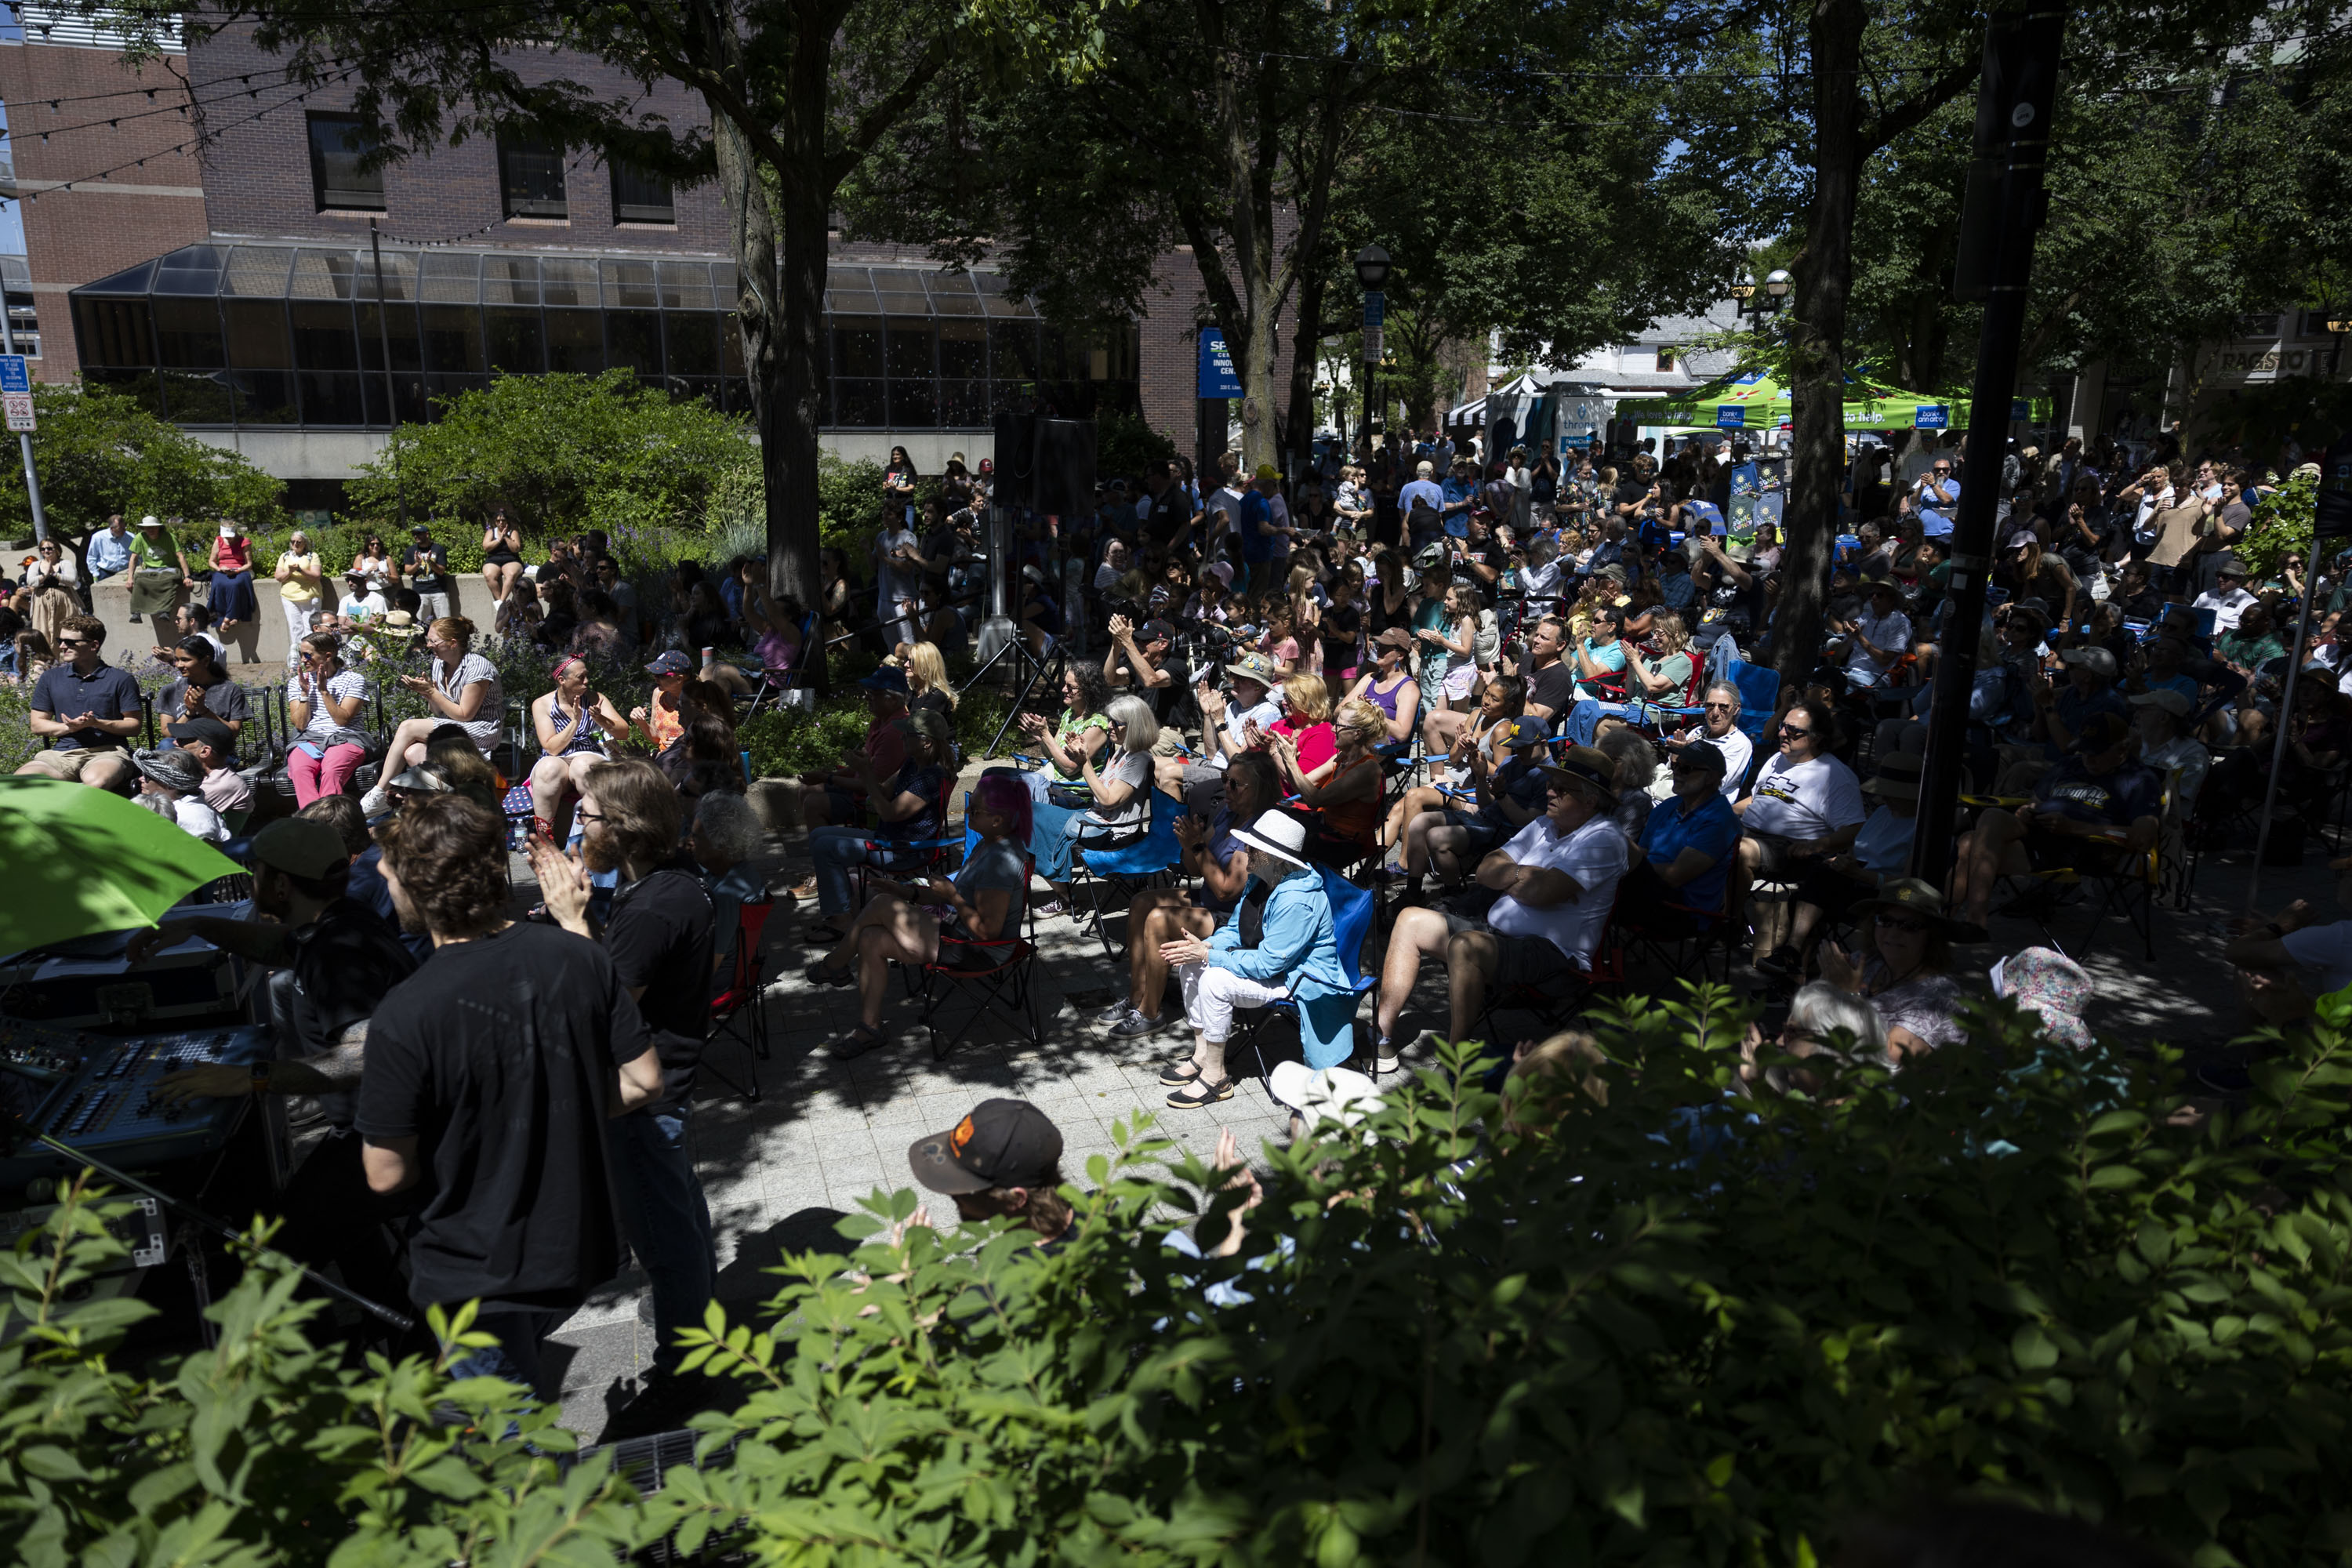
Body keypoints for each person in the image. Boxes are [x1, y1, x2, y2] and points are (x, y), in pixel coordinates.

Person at [358, 796, 662, 1398]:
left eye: (389, 870)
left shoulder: (404, 1014)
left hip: (471, 1262)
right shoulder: (579, 956)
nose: (380, 877)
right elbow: (644, 1081)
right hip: (570, 1241)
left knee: (517, 1450)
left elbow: (386, 1174)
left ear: (420, 885)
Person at [136, 815, 419, 1324]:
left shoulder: (336, 954)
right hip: (381, 1132)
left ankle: (332, 1374)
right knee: (339, 1233)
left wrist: (250, 1078)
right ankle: (400, 1338)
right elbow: (278, 948)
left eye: (258, 872)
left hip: (386, 1140)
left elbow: (366, 1053)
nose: (252, 881)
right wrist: (198, 926)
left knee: (269, 1261)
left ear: (282, 884)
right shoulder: (337, 922)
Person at [526, 760, 716, 1390]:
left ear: (625, 826)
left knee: (665, 1243)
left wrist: (572, 922)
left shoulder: (652, 909)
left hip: (640, 1096)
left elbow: (603, 1006)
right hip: (670, 1083)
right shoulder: (667, 883)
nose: (579, 822)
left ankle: (683, 1375)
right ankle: (701, 1329)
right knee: (683, 1212)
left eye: (588, 815)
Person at [1373, 746, 1629, 1066]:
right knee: (1410, 919)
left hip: (1554, 955)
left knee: (1467, 945)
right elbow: (1485, 870)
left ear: (1591, 800)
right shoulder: (1545, 825)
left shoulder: (1603, 839)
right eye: (1552, 785)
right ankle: (1380, 1037)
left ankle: (1455, 1061)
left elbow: (1543, 893)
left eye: (1562, 789)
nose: (1550, 792)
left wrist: (1516, 878)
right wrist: (1525, 875)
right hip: (1496, 934)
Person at [804, 771, 1032, 1059]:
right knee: (872, 937)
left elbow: (989, 932)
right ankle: (869, 1027)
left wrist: (952, 896)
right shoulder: (988, 845)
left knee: (881, 904)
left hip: (980, 951)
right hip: (957, 934)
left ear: (997, 820)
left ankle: (834, 964)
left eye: (973, 809)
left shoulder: (1001, 861)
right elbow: (949, 898)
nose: (967, 813)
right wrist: (905, 892)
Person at [1155, 811, 1353, 1109]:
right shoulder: (1262, 879)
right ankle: (1202, 1055)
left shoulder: (1297, 900)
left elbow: (1269, 965)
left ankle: (1215, 1077)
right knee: (1191, 962)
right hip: (1272, 966)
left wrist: (1210, 955)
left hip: (1299, 979)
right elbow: (1236, 930)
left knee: (1214, 979)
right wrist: (1205, 945)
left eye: (1252, 848)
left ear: (1272, 856)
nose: (1244, 851)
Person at [1094, 753, 1279, 1039]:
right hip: (1213, 900)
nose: (1226, 789)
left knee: (1159, 919)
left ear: (1261, 788)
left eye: (1235, 784)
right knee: (1141, 902)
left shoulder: (1264, 828)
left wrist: (1197, 847)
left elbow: (1227, 888)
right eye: (1225, 780)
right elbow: (1195, 867)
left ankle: (1150, 1013)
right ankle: (1137, 996)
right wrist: (1189, 844)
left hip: (1240, 917)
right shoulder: (1229, 813)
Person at [1951, 711, 2163, 929]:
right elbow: (2036, 802)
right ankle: (1965, 924)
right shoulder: (2069, 765)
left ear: (2122, 749)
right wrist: (2027, 811)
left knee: (1969, 843)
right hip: (2039, 832)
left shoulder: (2140, 780)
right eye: (2084, 750)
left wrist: (2074, 828)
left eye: (2097, 752)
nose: (2088, 758)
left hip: (2081, 848)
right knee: (1991, 816)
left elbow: (2143, 838)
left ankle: (1953, 921)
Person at [801, 707, 955, 941]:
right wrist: (862, 771)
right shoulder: (913, 764)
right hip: (888, 838)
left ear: (926, 742)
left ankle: (841, 920)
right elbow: (882, 790)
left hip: (903, 850)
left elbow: (889, 812)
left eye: (908, 734)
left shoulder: (931, 777)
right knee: (819, 835)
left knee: (825, 847)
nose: (902, 738)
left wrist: (865, 772)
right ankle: (842, 904)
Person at [1814, 877, 1974, 1057]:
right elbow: (1810, 1017)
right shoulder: (1865, 962)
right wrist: (1826, 984)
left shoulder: (1940, 997)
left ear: (1932, 935)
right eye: (1885, 921)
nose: (1893, 933)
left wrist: (1848, 993)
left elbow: (1886, 1060)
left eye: (1910, 926)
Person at [1733, 699, 1866, 895]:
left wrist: (1817, 845)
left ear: (1816, 738)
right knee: (1699, 833)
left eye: (1793, 730)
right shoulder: (1778, 758)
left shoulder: (1836, 776)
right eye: (1783, 726)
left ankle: (1728, 920)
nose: (1781, 734)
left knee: (1739, 852)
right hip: (1750, 831)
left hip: (1790, 849)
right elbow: (1757, 798)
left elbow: (1854, 828)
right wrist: (1723, 811)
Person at [1044, 694, 1160, 915]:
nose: (1109, 726)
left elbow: (1108, 801)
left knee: (1032, 821)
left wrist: (1084, 762)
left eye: (1116, 723)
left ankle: (1065, 897)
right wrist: (1080, 752)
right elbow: (1100, 792)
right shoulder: (1121, 752)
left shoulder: (1139, 760)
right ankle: (1063, 894)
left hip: (1111, 832)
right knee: (1030, 815)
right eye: (1110, 720)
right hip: (1093, 819)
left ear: (1133, 726)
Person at [906, 1098, 1073, 1247]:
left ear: (1016, 1198)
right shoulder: (1094, 1216)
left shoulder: (1004, 1278)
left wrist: (916, 1270)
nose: (951, 1193)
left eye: (964, 1187)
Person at [1614, 739, 1740, 935]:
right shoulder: (1667, 807)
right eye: (1676, 765)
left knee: (1593, 892)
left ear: (1711, 777)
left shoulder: (1720, 821)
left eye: (1687, 769)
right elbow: (1644, 853)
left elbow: (1674, 876)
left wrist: (1616, 839)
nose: (1677, 773)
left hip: (1683, 912)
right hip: (1646, 894)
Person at [16, 613, 140, 789]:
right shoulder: (50, 678)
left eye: (70, 642)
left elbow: (134, 725)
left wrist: (97, 723)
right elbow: (37, 725)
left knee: (95, 782)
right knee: (20, 780)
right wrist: (69, 727)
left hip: (108, 752)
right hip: (61, 755)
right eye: (61, 640)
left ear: (94, 645)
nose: (62, 646)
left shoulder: (121, 679)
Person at [1270, 696, 1386, 869]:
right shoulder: (1341, 757)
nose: (1333, 729)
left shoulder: (1367, 770)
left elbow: (1314, 798)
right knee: (1271, 817)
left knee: (1279, 838)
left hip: (1342, 843)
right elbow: (1304, 783)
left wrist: (1291, 761)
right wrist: (1276, 752)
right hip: (1324, 829)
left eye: (1339, 726)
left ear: (1357, 733)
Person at [526, 655, 628, 838]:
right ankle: (545, 836)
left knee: (582, 765)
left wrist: (601, 719)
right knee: (547, 768)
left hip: (589, 752)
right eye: (581, 677)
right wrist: (575, 722)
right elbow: (551, 748)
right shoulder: (542, 704)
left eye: (587, 675)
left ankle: (600, 832)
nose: (587, 681)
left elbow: (623, 733)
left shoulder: (596, 699)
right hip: (557, 757)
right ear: (562, 680)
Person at [388, 617, 503, 768]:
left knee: (408, 727)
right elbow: (438, 712)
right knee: (413, 752)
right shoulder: (439, 663)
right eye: (428, 640)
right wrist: (428, 695)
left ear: (453, 643)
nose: (429, 645)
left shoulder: (478, 667)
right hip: (451, 726)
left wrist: (432, 692)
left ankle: (380, 789)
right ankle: (444, 789)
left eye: (434, 641)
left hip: (481, 730)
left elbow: (464, 715)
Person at [285, 631, 374, 805]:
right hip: (309, 739)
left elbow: (343, 720)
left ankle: (330, 820)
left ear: (327, 656)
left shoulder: (353, 680)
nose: (303, 660)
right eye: (301, 655)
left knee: (332, 770)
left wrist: (324, 691)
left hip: (345, 739)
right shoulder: (298, 682)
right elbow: (300, 724)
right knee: (300, 769)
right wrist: (305, 693)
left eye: (308, 655)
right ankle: (312, 820)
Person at [691, 792, 768, 980]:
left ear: (720, 845)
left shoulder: (726, 895)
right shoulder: (743, 872)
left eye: (696, 838)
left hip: (716, 985)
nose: (690, 842)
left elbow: (711, 964)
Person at [1661, 681, 1754, 800]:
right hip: (1674, 793)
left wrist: (1690, 756)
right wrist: (1676, 754)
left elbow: (1717, 784)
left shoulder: (1739, 744)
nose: (1715, 713)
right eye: (1710, 706)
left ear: (1736, 709)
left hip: (1702, 804)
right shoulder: (1698, 731)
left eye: (1723, 707)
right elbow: (1670, 768)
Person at [159, 634, 252, 739]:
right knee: (165, 745)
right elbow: (167, 734)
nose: (179, 665)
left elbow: (233, 733)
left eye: (185, 660)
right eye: (177, 659)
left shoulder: (230, 690)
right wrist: (190, 712)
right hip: (180, 752)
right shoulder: (170, 691)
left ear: (206, 661)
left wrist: (203, 710)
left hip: (215, 750)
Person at [131, 745, 228, 840]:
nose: (141, 779)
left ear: (171, 785)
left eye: (147, 776)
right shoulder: (185, 808)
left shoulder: (193, 817)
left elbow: (200, 853)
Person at [1342, 627, 1421, 742]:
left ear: (1400, 655)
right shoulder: (1370, 678)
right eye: (1379, 646)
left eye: (1386, 648)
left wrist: (1370, 713)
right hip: (1359, 742)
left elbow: (1402, 733)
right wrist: (1356, 705)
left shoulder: (1408, 688)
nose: (1379, 650)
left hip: (1384, 750)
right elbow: (1338, 711)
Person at [164, 713, 252, 817]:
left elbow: (167, 816)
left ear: (205, 752)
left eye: (182, 740)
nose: (175, 742)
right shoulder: (203, 776)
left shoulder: (219, 785)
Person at [127, 515, 194, 622]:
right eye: (148, 528)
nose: (151, 530)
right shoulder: (139, 538)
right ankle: (136, 613)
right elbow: (134, 558)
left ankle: (165, 611)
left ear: (158, 528)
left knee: (170, 580)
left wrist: (187, 576)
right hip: (151, 569)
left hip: (169, 568)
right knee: (139, 580)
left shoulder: (169, 537)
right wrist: (130, 578)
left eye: (153, 527)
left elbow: (180, 556)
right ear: (144, 529)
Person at [272, 528, 325, 647]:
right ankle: (298, 655)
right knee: (295, 628)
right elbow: (278, 576)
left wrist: (300, 570)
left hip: (310, 598)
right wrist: (290, 572)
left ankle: (311, 653)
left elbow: (316, 576)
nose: (295, 544)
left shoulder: (313, 556)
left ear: (304, 543)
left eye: (299, 542)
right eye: (293, 542)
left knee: (310, 628)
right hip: (289, 597)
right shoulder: (284, 556)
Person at [205, 521, 257, 633]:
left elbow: (249, 564)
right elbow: (211, 561)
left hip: (240, 569)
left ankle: (231, 616)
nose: (228, 539)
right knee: (218, 584)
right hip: (223, 570)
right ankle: (220, 616)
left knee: (235, 585)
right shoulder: (218, 541)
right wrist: (219, 569)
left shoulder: (244, 542)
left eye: (231, 537)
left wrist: (237, 571)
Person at [401, 524, 452, 622]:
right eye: (414, 534)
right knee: (419, 625)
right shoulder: (410, 550)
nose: (416, 536)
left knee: (445, 623)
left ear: (427, 534)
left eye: (419, 534)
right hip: (420, 593)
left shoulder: (438, 549)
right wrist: (417, 563)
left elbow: (441, 571)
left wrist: (429, 562)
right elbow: (408, 571)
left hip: (439, 591)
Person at [481, 509, 525, 606]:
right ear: (495, 522)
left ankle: (501, 602)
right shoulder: (491, 532)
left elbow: (516, 548)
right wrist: (499, 539)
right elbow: (486, 547)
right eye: (498, 521)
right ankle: (501, 602)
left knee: (511, 574)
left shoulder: (513, 532)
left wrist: (505, 537)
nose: (501, 523)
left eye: (503, 520)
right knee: (489, 575)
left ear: (507, 521)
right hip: (493, 559)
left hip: (511, 559)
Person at [86, 514, 133, 583]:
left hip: (126, 573)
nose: (124, 531)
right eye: (121, 529)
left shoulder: (131, 537)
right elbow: (91, 556)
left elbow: (137, 556)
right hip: (105, 573)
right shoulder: (98, 537)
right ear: (112, 529)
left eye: (124, 527)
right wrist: (95, 573)